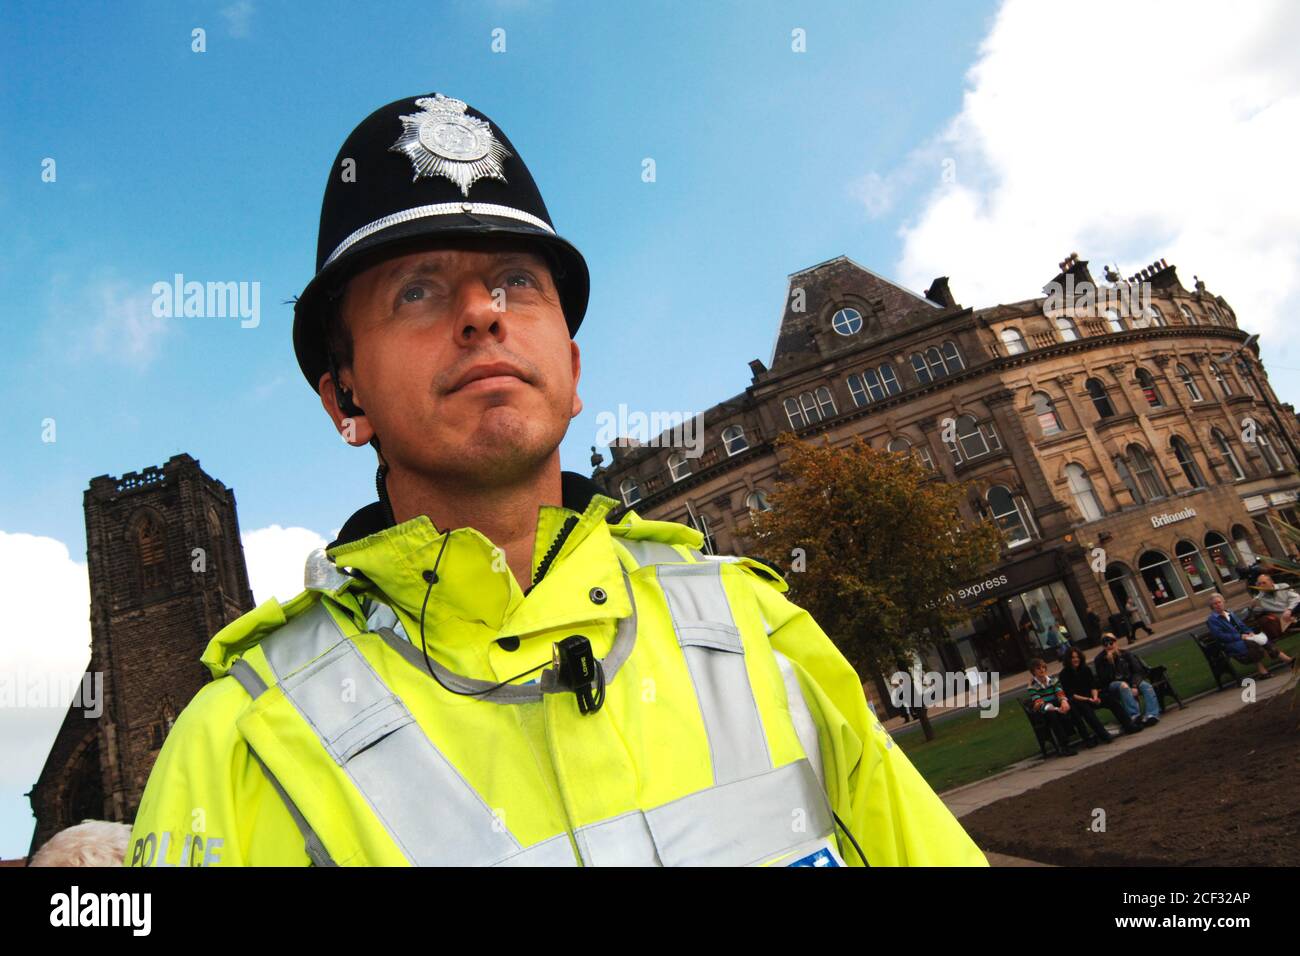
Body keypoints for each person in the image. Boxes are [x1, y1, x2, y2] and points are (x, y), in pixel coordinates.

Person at [124, 93, 985, 868]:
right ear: (345, 399)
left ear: (571, 372)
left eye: (516, 283)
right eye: (418, 290)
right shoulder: (241, 745)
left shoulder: (756, 628)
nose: (481, 311)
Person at [1206, 593, 1293, 679]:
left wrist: (1250, 633)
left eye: (1219, 602)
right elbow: (1220, 636)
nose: (1218, 605)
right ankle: (1284, 662)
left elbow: (1242, 626)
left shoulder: (1230, 613)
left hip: (1245, 638)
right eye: (1215, 604)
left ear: (1223, 602)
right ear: (1212, 606)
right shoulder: (1213, 620)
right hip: (1232, 643)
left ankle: (1284, 662)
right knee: (1253, 643)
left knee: (1261, 639)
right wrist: (1240, 637)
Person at [1093, 633, 1160, 726]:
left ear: (1116, 642)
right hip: (1112, 685)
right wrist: (1110, 663)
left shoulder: (1125, 654)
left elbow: (1137, 671)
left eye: (1111, 642)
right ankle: (1135, 716)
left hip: (1131, 681)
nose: (1109, 646)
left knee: (1146, 686)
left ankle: (1152, 715)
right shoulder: (1099, 659)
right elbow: (1105, 679)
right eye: (1105, 643)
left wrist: (1134, 686)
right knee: (1123, 686)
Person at [1056, 647, 1116, 744]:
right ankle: (1104, 735)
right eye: (1073, 658)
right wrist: (1088, 699)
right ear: (1068, 659)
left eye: (1077, 657)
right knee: (1087, 710)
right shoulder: (1064, 674)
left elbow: (1093, 685)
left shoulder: (1085, 669)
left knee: (1111, 700)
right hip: (1078, 701)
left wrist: (1095, 697)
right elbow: (1072, 694)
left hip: (1091, 696)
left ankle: (1128, 725)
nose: (1076, 659)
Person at [1025, 658, 1078, 756]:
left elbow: (1059, 692)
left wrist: (1063, 702)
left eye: (1043, 667)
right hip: (1045, 710)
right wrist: (1058, 709)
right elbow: (1039, 702)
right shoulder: (1032, 686)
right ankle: (1064, 746)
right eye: (1038, 668)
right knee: (1053, 715)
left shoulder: (1053, 680)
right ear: (1033, 671)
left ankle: (1081, 738)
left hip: (1056, 705)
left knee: (1071, 707)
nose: (1042, 670)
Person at [1249, 572, 1300, 643]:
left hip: (1293, 610)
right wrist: (1252, 606)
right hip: (1282, 619)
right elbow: (1254, 611)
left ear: (1271, 582)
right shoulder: (1259, 599)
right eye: (1259, 584)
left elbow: (1296, 598)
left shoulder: (1283, 586)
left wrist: (1289, 609)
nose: (1262, 585)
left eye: (1264, 583)